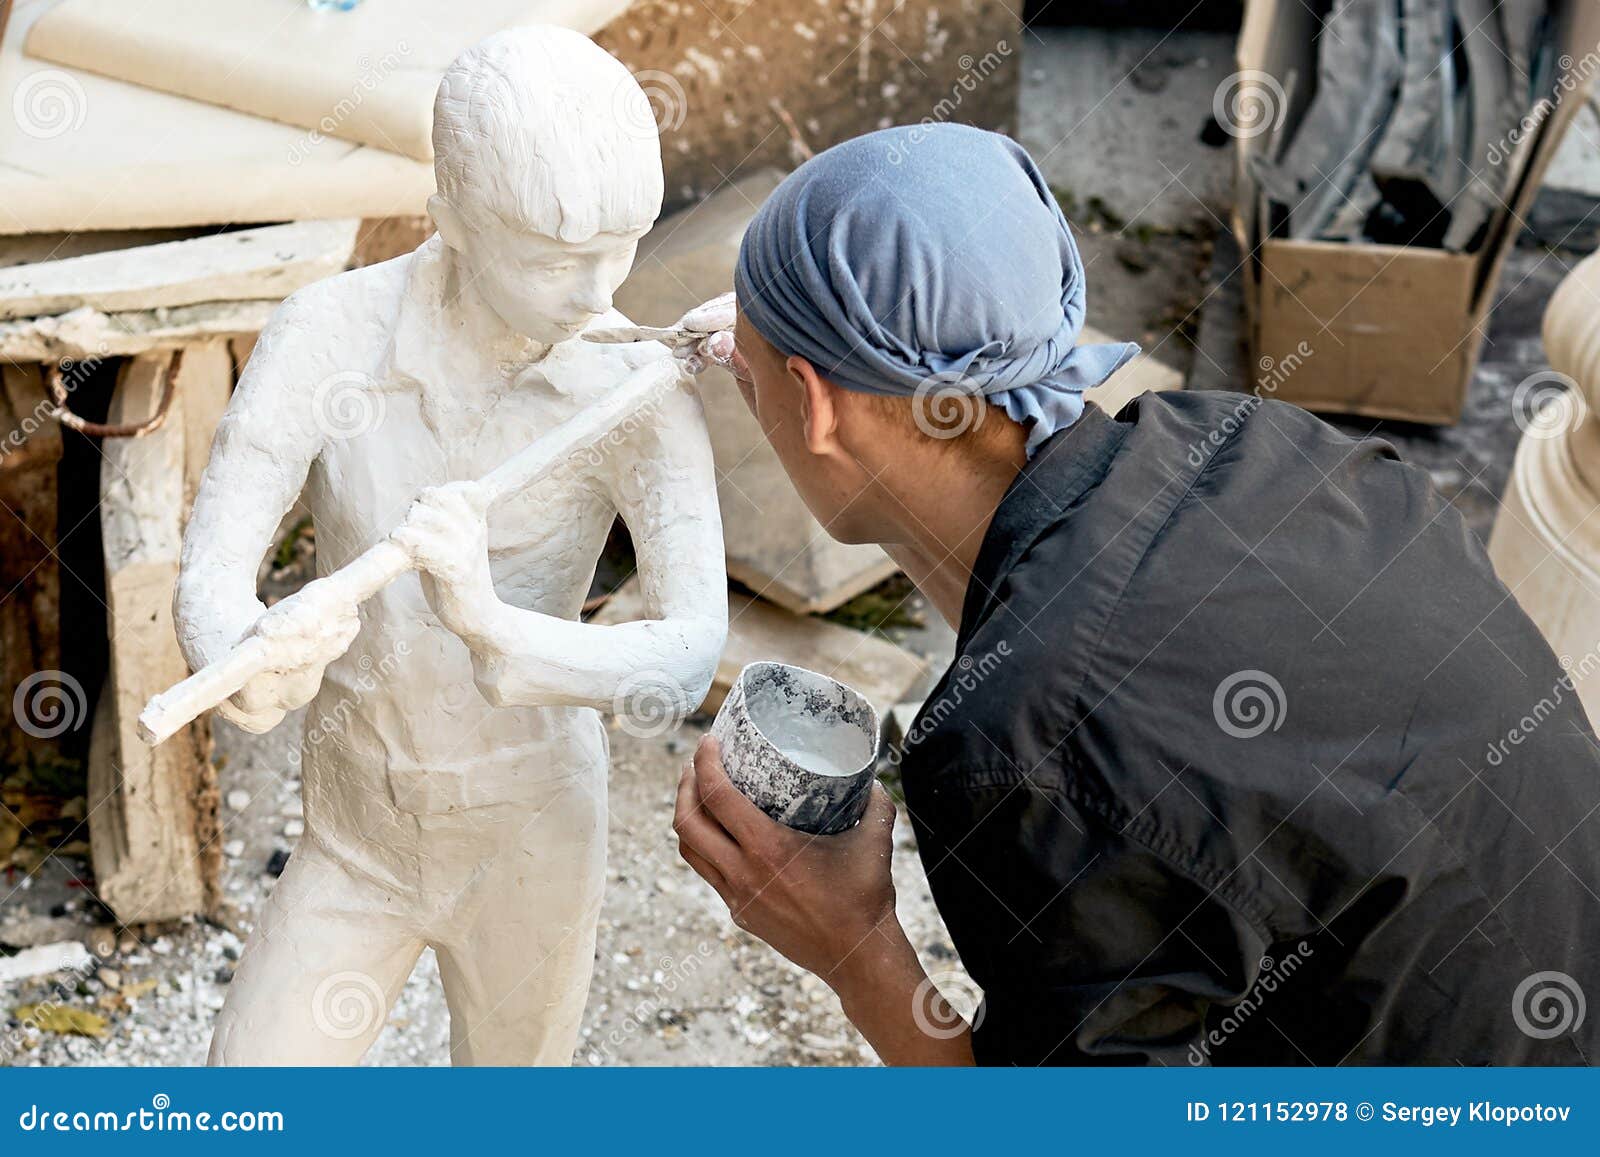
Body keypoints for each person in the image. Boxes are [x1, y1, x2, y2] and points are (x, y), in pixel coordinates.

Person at [669, 123, 1600, 1065]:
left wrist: (854, 944)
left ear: (816, 405)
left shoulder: (1021, 752)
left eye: (753, 369)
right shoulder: (1260, 442)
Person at [177, 28, 725, 1065]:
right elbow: (212, 568)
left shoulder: (635, 389)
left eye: (623, 248)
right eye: (556, 259)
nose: (596, 292)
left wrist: (499, 632)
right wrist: (242, 653)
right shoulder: (326, 334)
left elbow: (690, 647)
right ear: (451, 224)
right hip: (356, 833)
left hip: (533, 835)